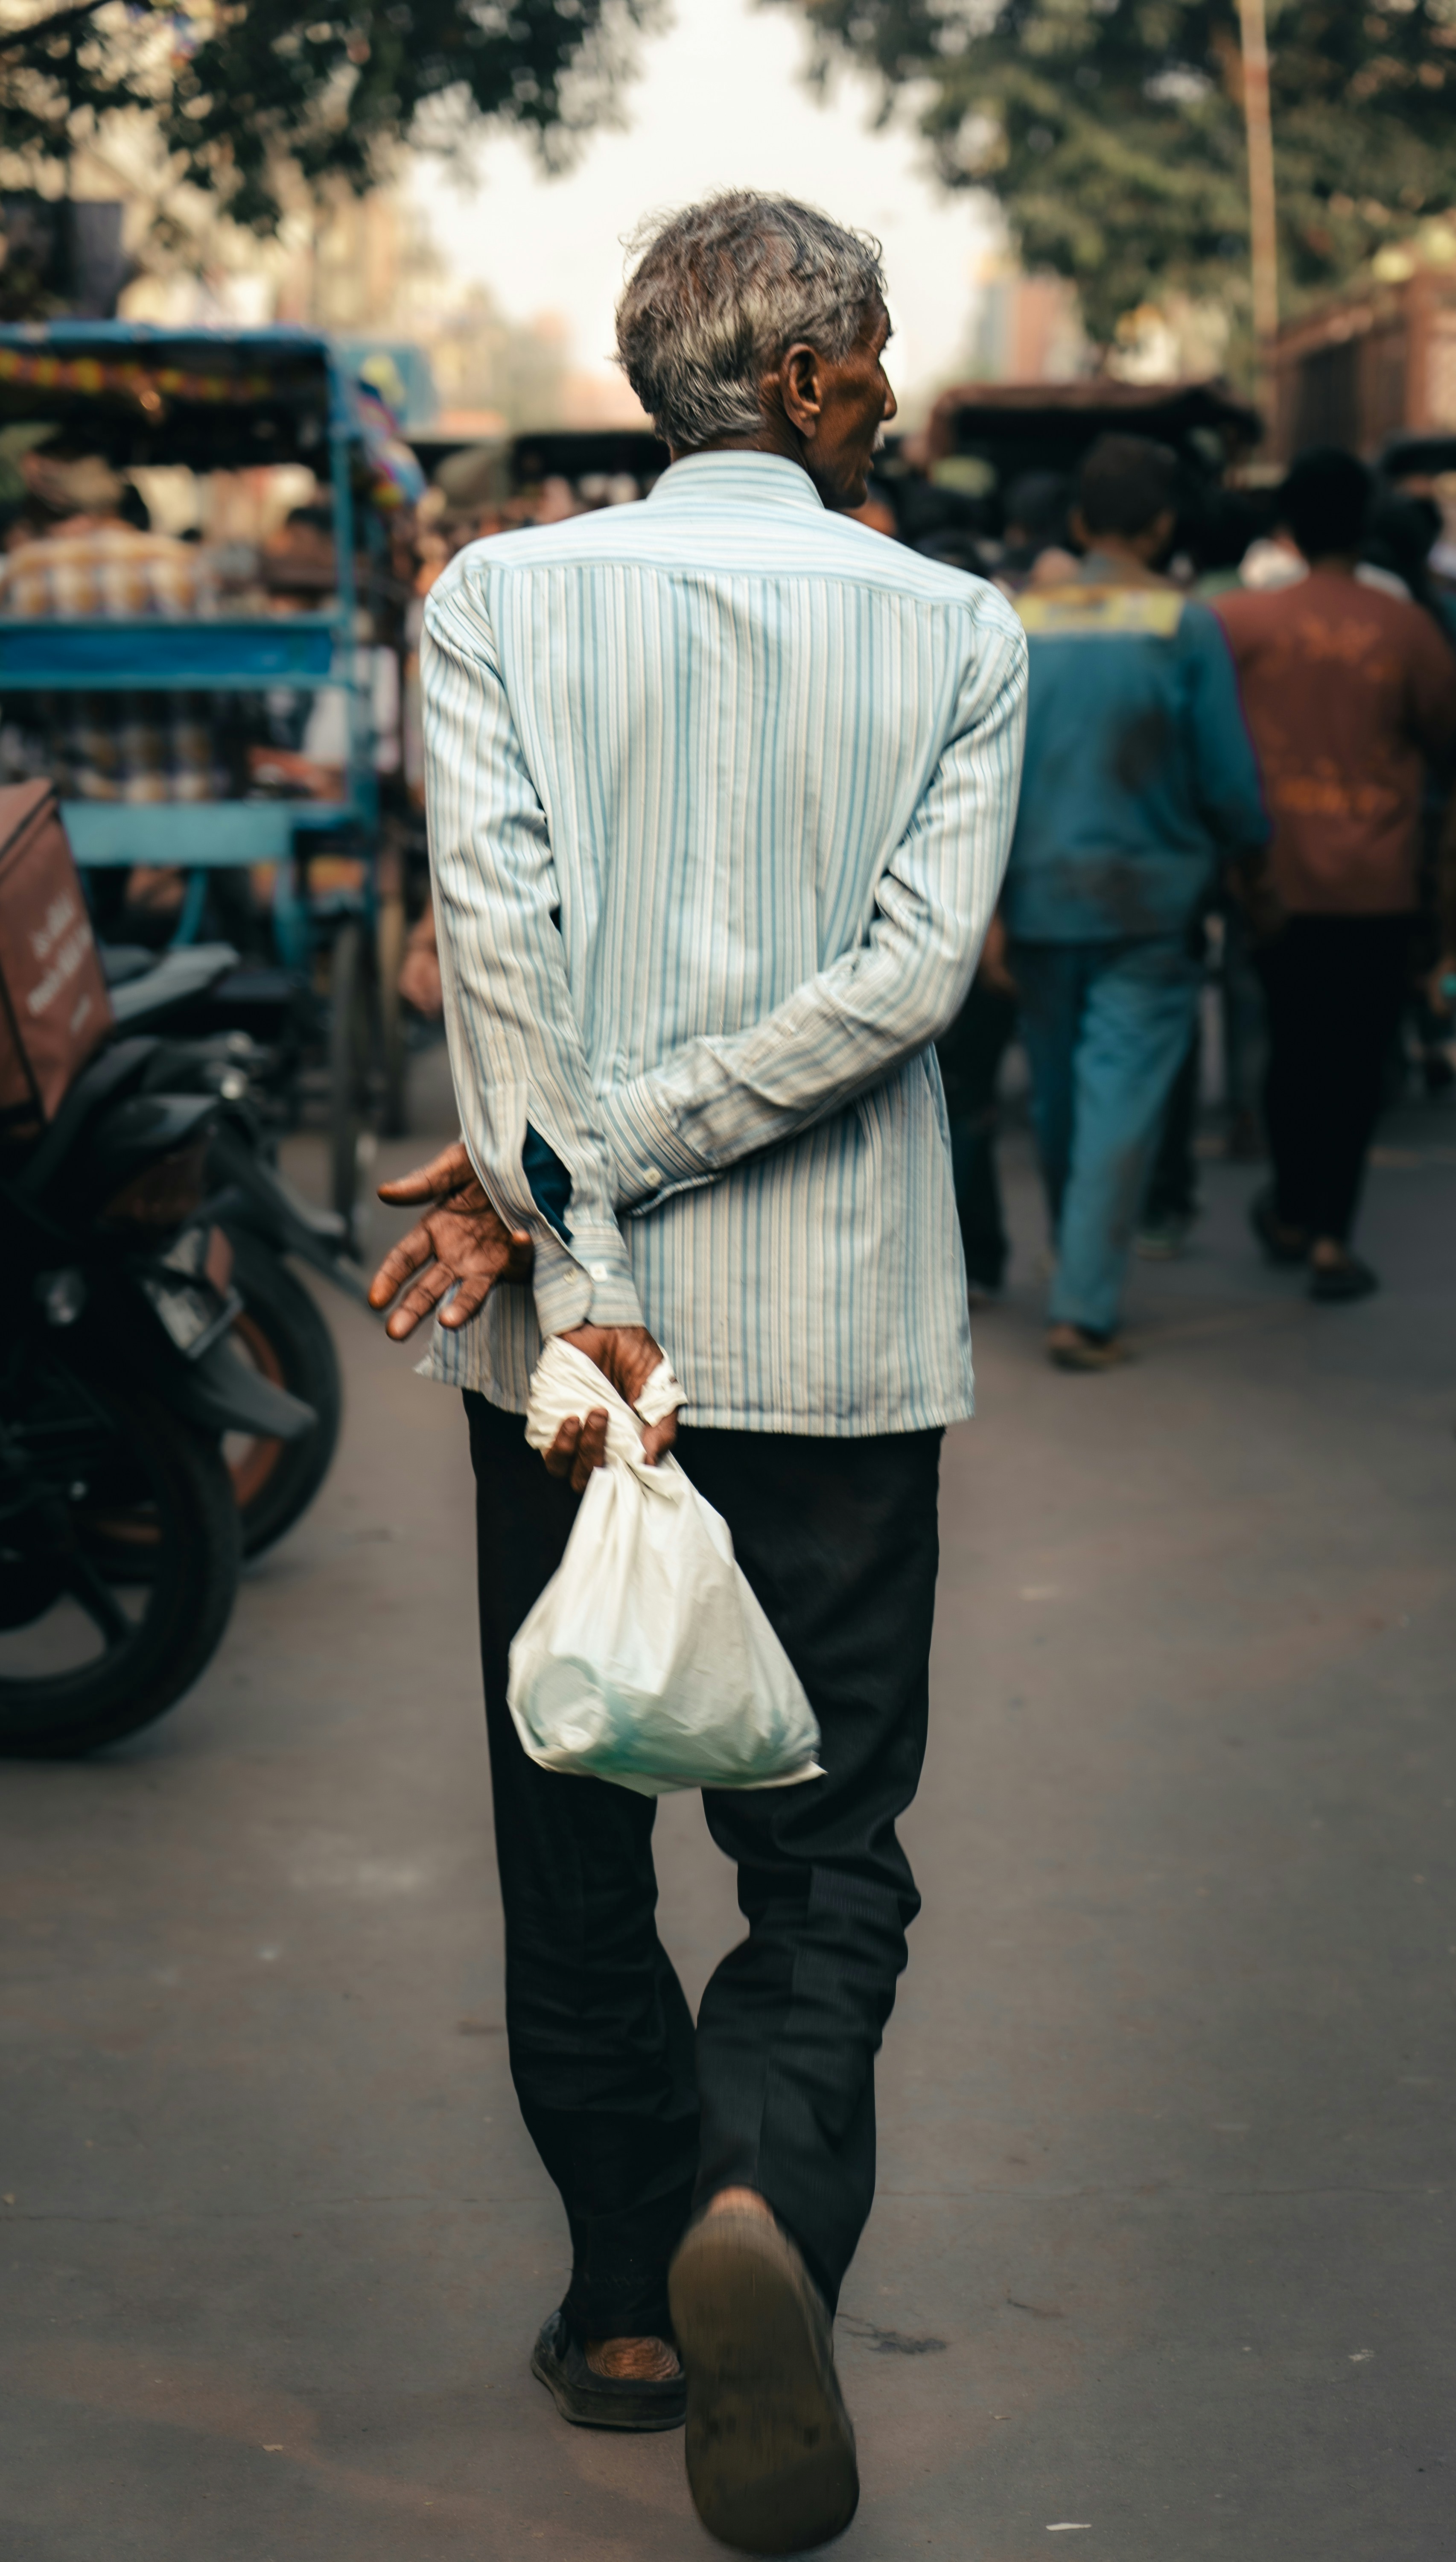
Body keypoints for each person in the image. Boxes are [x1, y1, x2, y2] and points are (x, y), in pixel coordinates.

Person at [366, 190, 1026, 2555]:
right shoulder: (957, 624)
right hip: (842, 1344)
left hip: (575, 1355)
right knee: (826, 1854)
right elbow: (907, 982)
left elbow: (503, 957)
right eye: (887, 358)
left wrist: (571, 1210)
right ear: (829, 373)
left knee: (574, 1834)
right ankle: (759, 2199)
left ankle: (631, 2308)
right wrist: (607, 1163)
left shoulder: (499, 601)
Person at [1000, 433, 1269, 1369]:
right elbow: (1227, 781)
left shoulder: (1017, 619)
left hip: (1033, 897)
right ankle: (1081, 1300)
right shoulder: (1182, 624)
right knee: (1117, 1094)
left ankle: (1076, 1251)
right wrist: (1248, 855)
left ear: (1076, 522)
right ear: (1160, 526)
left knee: (1060, 1096)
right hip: (1148, 903)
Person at [1216, 447, 1456, 1300]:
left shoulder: (1238, 625)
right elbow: (1444, 745)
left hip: (1273, 880)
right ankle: (1328, 1236)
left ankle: (1289, 1203)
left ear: (1285, 523)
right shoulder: (1406, 631)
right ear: (1361, 525)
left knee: (1289, 1049)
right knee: (1354, 1063)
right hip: (1377, 881)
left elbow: (1208, 750)